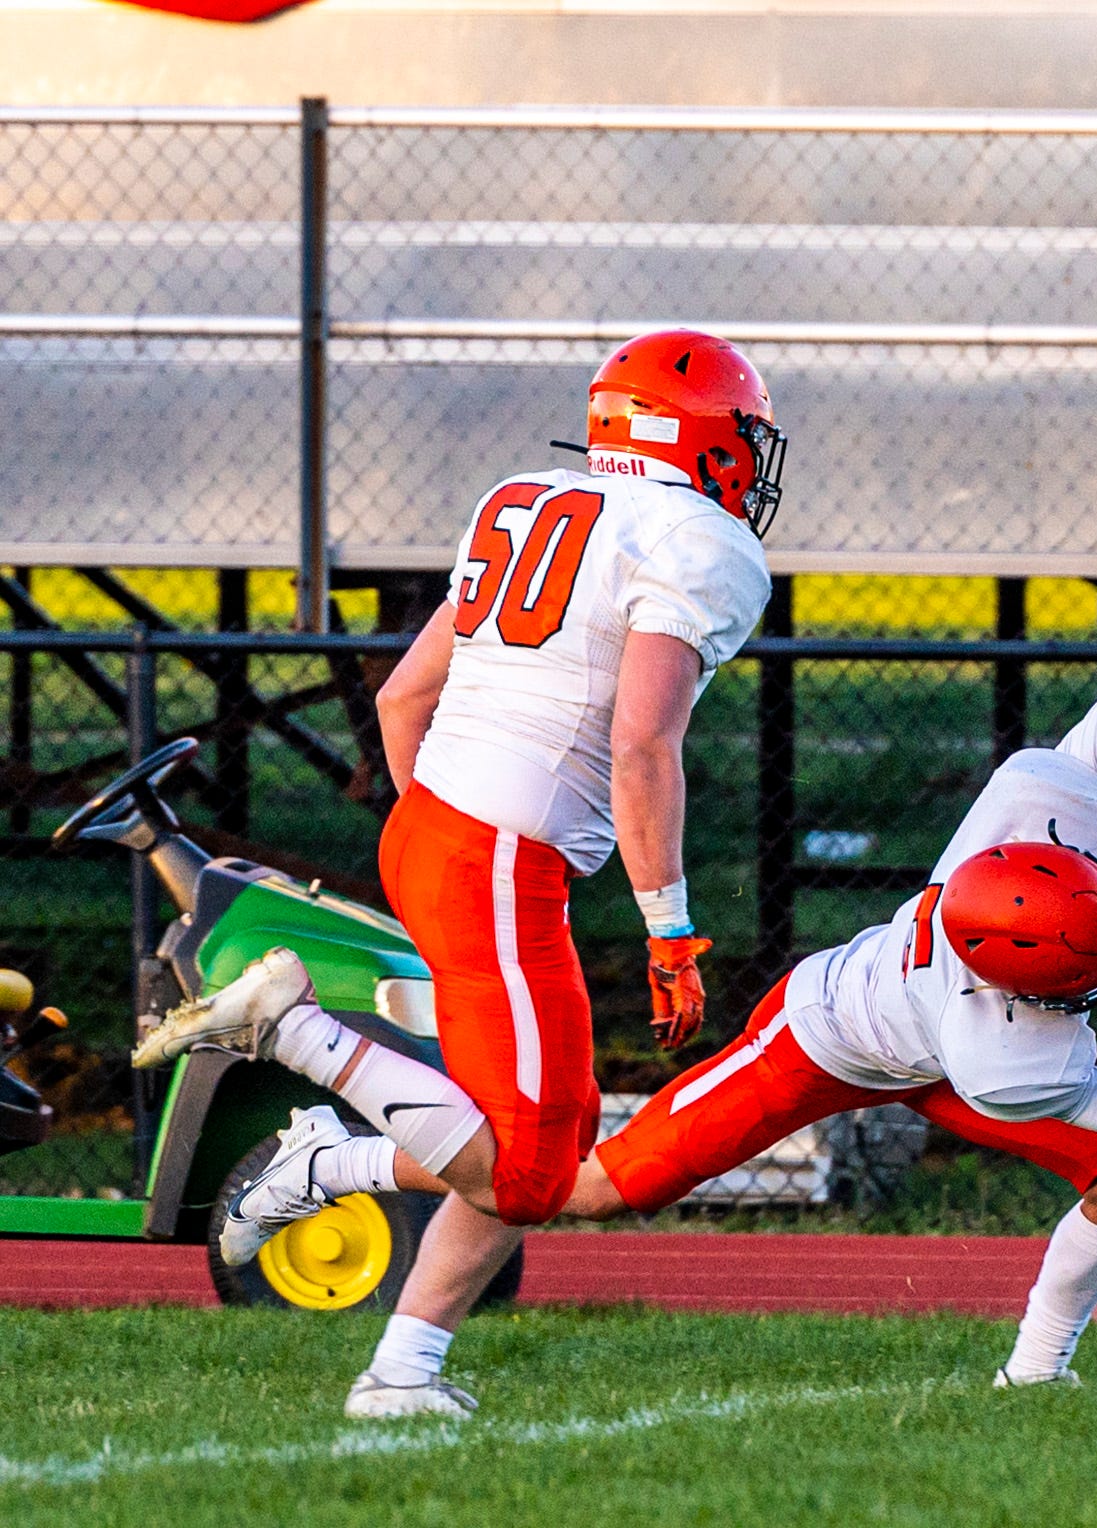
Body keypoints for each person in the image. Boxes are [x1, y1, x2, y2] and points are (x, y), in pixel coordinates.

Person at [135, 328, 785, 1418]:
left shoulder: (525, 496)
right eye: (745, 437)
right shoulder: (699, 540)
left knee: (547, 1141)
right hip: (492, 854)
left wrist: (441, 827)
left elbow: (400, 699)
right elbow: (640, 744)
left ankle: (395, 1357)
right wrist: (668, 928)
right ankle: (299, 1043)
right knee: (532, 1169)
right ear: (710, 439)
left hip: (439, 826)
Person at [550, 642, 1097, 1386]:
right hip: (819, 1041)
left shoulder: (1031, 820)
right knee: (599, 1190)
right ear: (1022, 988)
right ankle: (417, 1161)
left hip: (928, 1046)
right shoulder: (1002, 1057)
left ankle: (1035, 1373)